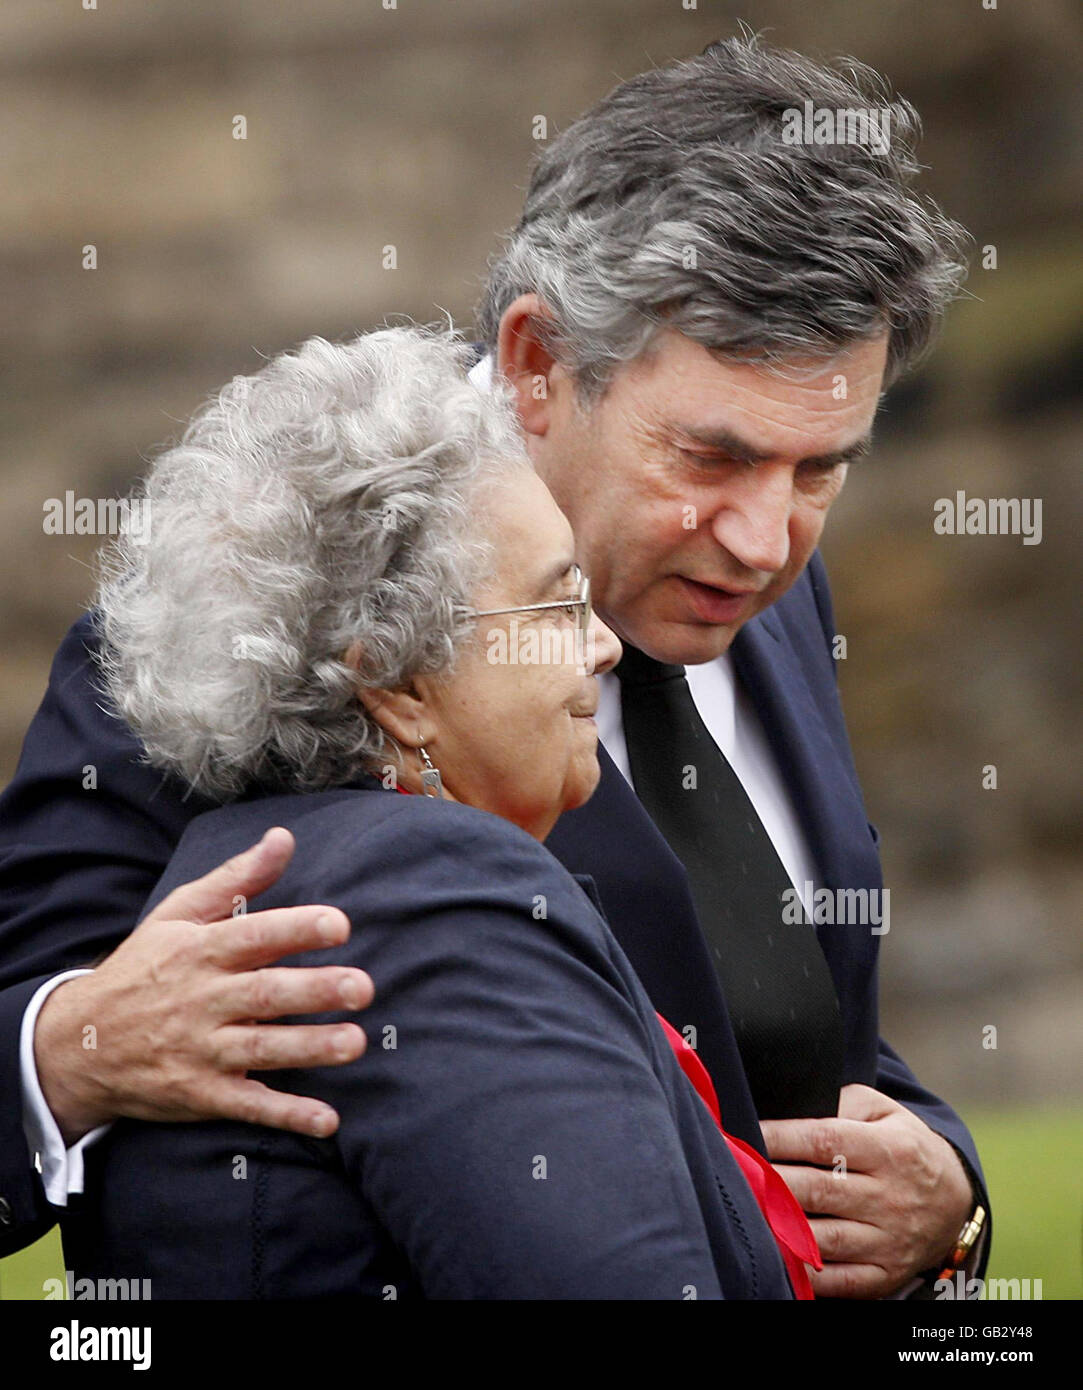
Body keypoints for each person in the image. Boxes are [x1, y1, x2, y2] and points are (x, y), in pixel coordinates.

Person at [0, 35, 987, 1297]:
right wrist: (75, 1050)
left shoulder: (770, 599)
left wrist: (951, 1196)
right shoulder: (241, 613)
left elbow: (788, 1024)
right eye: (712, 456)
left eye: (820, 469)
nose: (762, 536)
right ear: (535, 363)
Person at [57, 324, 817, 1299]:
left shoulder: (254, 861)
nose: (603, 648)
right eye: (554, 605)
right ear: (395, 679)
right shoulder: (445, 902)